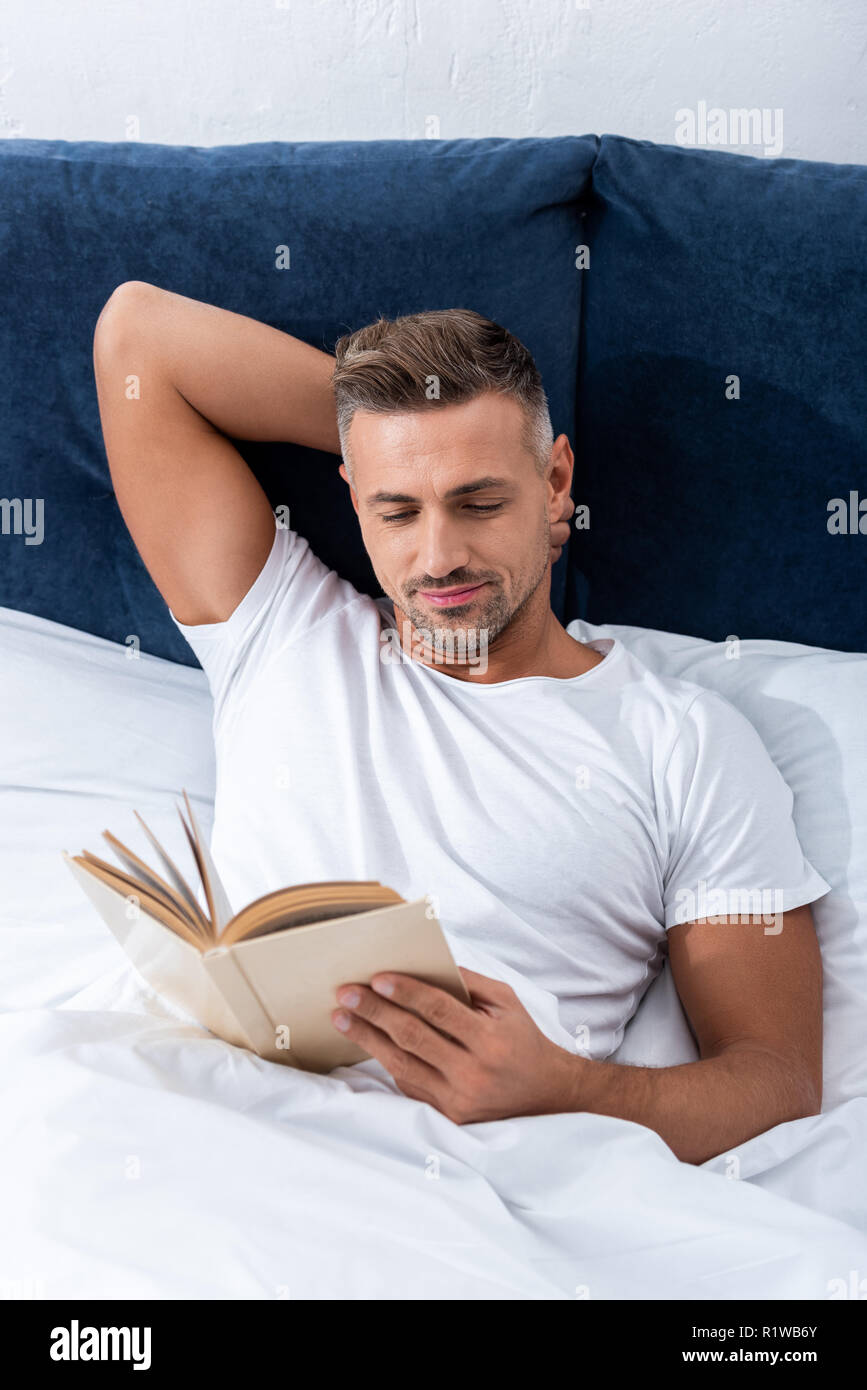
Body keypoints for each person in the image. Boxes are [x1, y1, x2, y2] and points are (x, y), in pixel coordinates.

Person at [92, 282, 830, 1163]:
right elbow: (138, 337)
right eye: (395, 510)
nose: (437, 556)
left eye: (478, 502)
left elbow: (776, 1080)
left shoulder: (684, 743)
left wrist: (567, 1087)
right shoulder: (280, 630)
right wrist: (388, 433)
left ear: (555, 483)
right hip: (194, 1121)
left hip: (459, 1173)